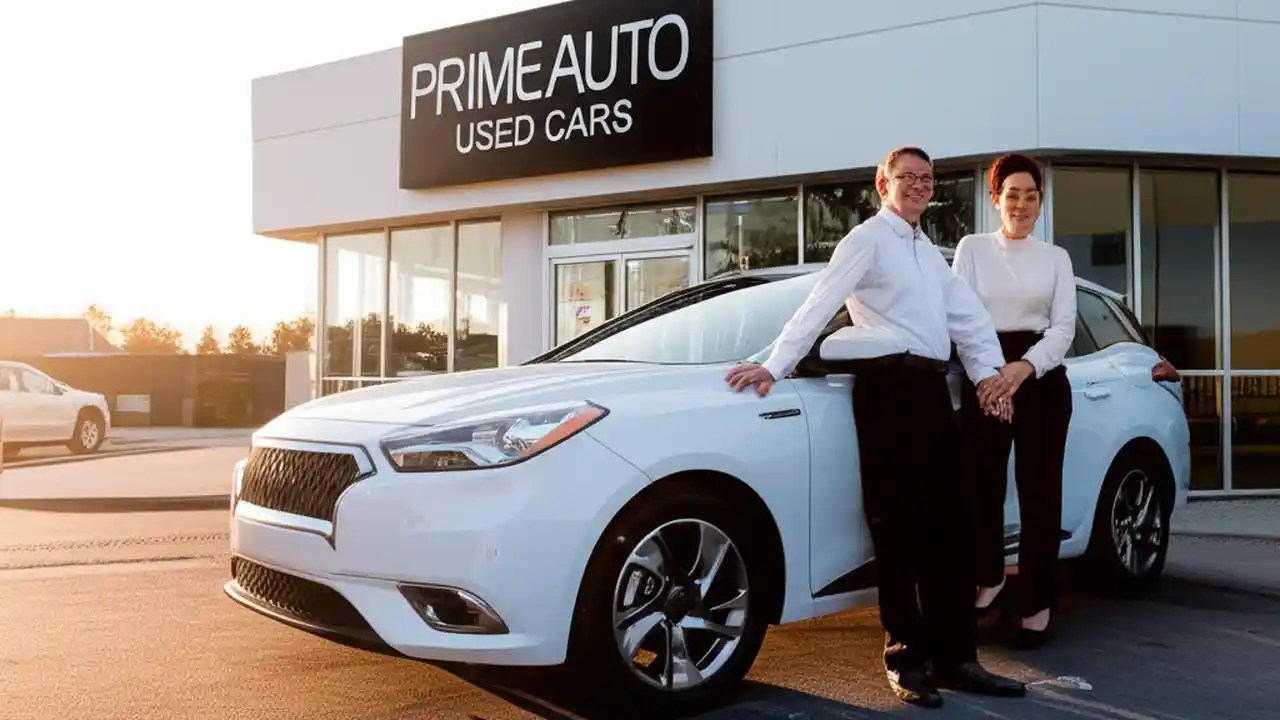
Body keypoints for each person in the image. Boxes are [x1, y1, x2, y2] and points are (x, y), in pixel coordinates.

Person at [725, 146, 1026, 709]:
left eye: (926, 178)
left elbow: (969, 320)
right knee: (900, 530)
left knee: (952, 532)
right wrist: (775, 364)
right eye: (906, 177)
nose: (918, 185)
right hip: (888, 390)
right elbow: (821, 302)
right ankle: (907, 659)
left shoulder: (928, 253)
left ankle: (957, 659)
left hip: (936, 392)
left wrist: (989, 378)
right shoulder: (866, 239)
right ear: (882, 184)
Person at [952, 153, 1075, 649]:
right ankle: (990, 577)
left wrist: (1021, 370)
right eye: (1012, 195)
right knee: (979, 489)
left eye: (1031, 196)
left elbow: (1064, 328)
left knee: (1039, 492)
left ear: (1041, 202)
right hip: (984, 372)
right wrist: (990, 380)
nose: (1021, 205)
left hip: (1040, 378)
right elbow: (960, 318)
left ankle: (1038, 600)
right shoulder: (973, 249)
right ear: (995, 199)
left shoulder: (1056, 258)